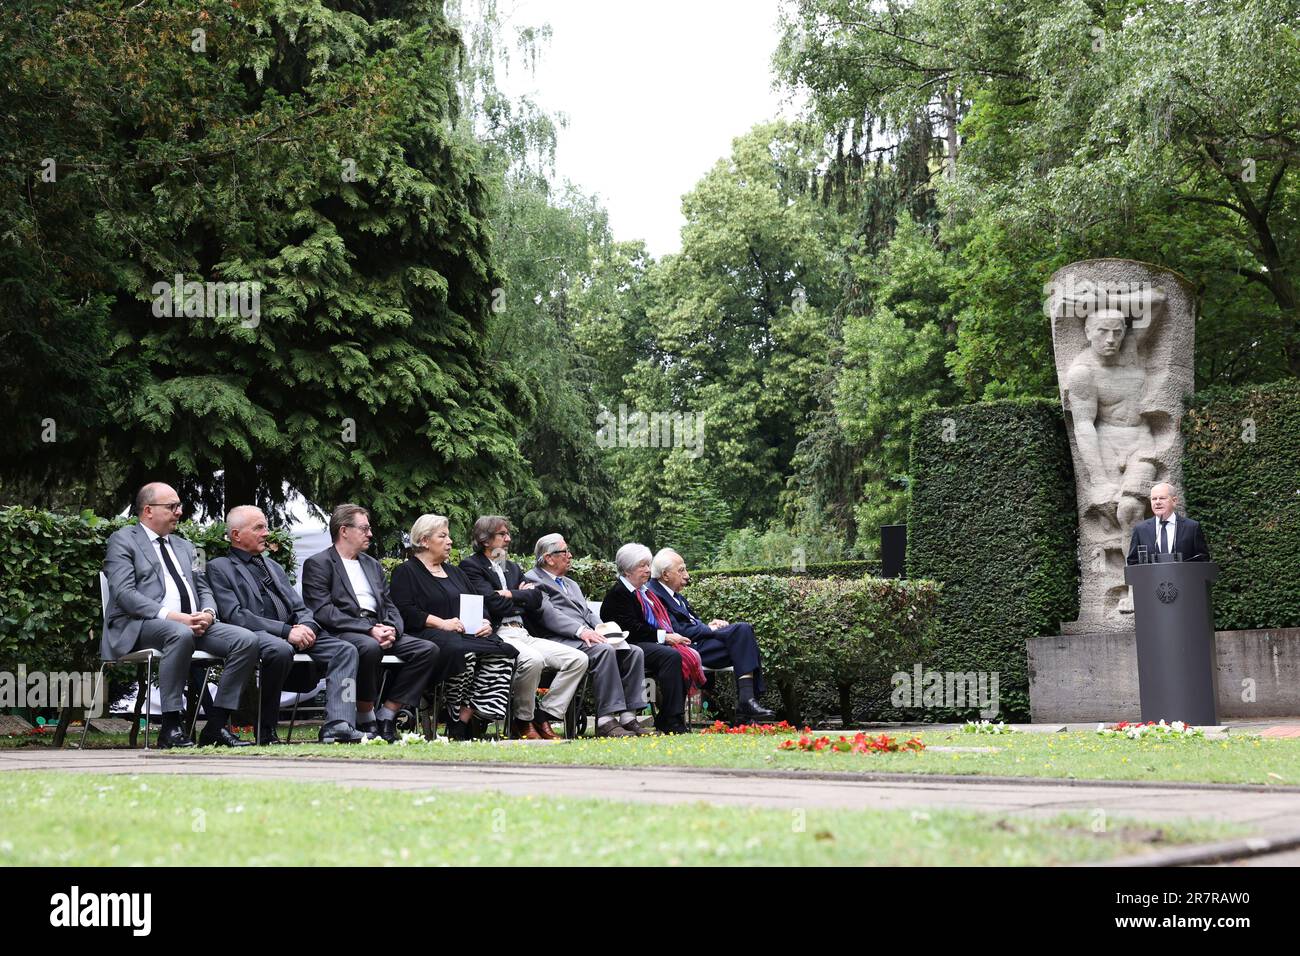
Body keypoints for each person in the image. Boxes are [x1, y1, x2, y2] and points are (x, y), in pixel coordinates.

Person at [101, 482, 258, 749]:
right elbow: (125, 594)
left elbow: (204, 586)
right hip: (142, 625)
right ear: (148, 510)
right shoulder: (122, 540)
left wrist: (207, 613)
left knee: (247, 640)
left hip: (192, 625)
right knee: (180, 633)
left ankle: (216, 726)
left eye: (179, 506)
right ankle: (170, 727)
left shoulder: (192, 547)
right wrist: (175, 617)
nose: (179, 512)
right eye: (172, 507)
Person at [206, 506, 366, 744]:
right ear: (236, 535)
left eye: (266, 527)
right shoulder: (219, 567)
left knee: (345, 650)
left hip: (295, 633)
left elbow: (299, 606)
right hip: (258, 634)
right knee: (280, 650)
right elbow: (236, 616)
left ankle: (339, 723)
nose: (266, 533)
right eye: (259, 527)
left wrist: (307, 626)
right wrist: (286, 632)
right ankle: (267, 728)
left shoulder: (272, 567)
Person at [301, 504, 438, 742]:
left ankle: (388, 713)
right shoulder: (319, 563)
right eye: (364, 528)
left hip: (378, 627)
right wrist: (368, 629)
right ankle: (365, 716)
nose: (370, 534)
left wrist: (392, 629)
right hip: (343, 632)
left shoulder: (371, 564)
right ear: (344, 531)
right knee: (368, 646)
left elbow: (389, 603)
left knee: (427, 650)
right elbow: (323, 611)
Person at [389, 514, 518, 741]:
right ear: (424, 540)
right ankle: (452, 713)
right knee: (463, 652)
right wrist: (442, 623)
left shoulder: (456, 572)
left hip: (464, 633)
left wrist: (485, 622)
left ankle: (465, 717)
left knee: (504, 652)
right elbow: (405, 611)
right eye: (443, 536)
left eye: (449, 536)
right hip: (428, 634)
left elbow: (478, 603)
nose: (450, 541)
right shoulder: (406, 571)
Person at [459, 516, 588, 739]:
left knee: (578, 659)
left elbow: (536, 598)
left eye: (508, 533)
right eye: (502, 534)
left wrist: (510, 594)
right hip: (498, 633)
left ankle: (545, 713)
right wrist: (520, 596)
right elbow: (491, 602)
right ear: (485, 539)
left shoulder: (512, 567)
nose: (508, 538)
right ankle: (523, 720)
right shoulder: (471, 566)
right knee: (533, 660)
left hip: (523, 632)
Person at [524, 534, 653, 737]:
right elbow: (549, 615)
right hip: (558, 640)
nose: (570, 555)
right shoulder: (533, 580)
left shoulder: (571, 583)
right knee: (603, 650)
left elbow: (587, 613)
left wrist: (606, 631)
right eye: (564, 551)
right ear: (549, 558)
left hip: (586, 638)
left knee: (633, 651)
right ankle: (605, 720)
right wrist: (581, 631)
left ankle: (629, 716)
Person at [647, 548, 776, 724]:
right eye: (681, 570)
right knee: (742, 631)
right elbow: (676, 631)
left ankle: (746, 705)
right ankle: (746, 705)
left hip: (700, 644)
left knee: (744, 640)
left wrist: (709, 626)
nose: (687, 576)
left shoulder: (675, 595)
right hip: (683, 647)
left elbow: (693, 624)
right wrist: (709, 628)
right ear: (665, 575)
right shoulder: (653, 594)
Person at [598, 543, 691, 735]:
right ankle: (671, 719)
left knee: (683, 654)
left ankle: (670, 716)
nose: (648, 570)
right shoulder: (618, 594)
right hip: (627, 645)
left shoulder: (644, 592)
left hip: (644, 643)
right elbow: (631, 629)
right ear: (627, 569)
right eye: (642, 565)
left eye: (648, 565)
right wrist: (664, 636)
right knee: (670, 656)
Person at [1125, 482, 1211, 565]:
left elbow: (1203, 559)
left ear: (1174, 501)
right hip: (1151, 579)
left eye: (1162, 498)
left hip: (1184, 579)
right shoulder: (1140, 530)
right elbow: (1133, 561)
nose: (1157, 502)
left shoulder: (1192, 527)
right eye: (1154, 499)